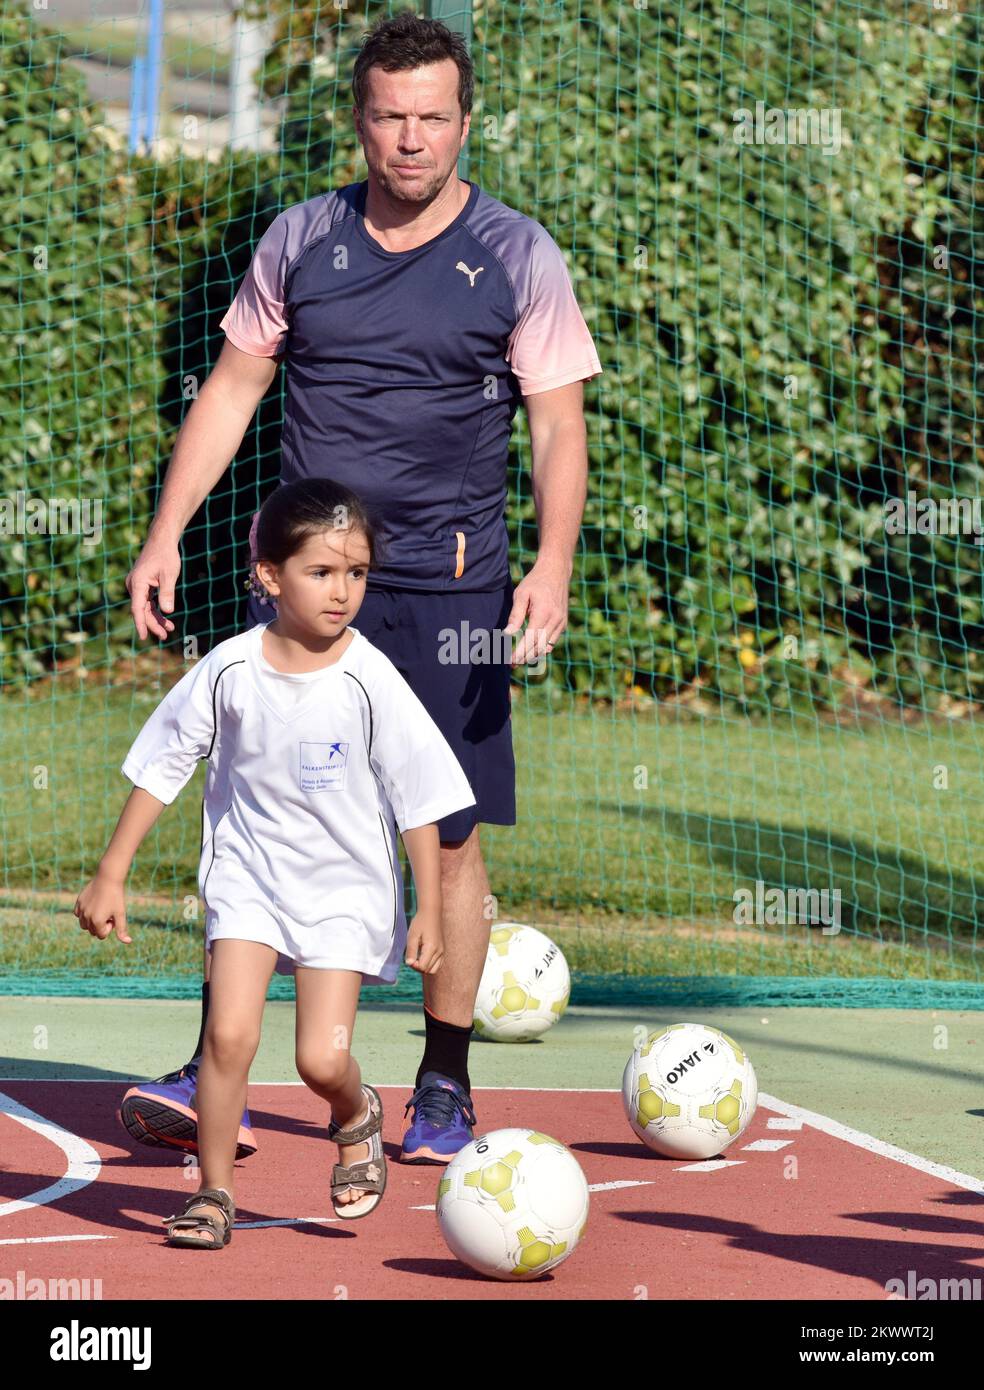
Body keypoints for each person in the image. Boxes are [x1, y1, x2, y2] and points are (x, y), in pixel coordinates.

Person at [121, 9, 602, 1165]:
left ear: (465, 121)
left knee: (445, 833)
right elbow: (232, 391)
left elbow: (557, 427)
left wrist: (551, 561)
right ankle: (213, 1063)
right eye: (389, 117)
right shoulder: (300, 239)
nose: (411, 140)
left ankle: (444, 1083)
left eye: (433, 118)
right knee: (253, 816)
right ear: (360, 120)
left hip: (449, 592)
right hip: (302, 587)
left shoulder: (519, 254)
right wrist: (166, 532)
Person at [75, 479, 477, 1245]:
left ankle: (354, 1112)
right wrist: (111, 871)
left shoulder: (370, 677)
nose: (343, 592)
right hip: (248, 882)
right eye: (322, 573)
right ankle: (213, 1194)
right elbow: (164, 765)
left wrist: (428, 905)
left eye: (356, 574)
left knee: (321, 1061)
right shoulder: (228, 670)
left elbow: (419, 795)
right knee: (227, 1039)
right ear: (269, 576)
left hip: (343, 892)